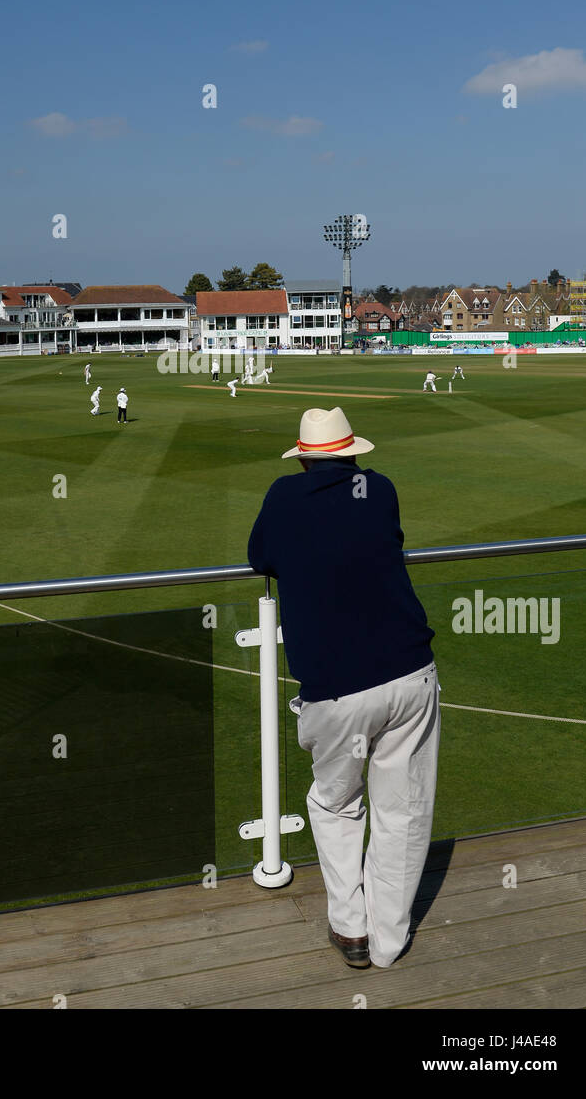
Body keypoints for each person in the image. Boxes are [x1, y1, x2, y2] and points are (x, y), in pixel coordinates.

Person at [247, 407, 439, 971]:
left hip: (336, 689)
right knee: (402, 812)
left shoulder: (284, 497)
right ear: (352, 452)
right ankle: (386, 942)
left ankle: (351, 928)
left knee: (334, 802)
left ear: (304, 456)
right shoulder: (379, 490)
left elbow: (261, 557)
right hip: (409, 672)